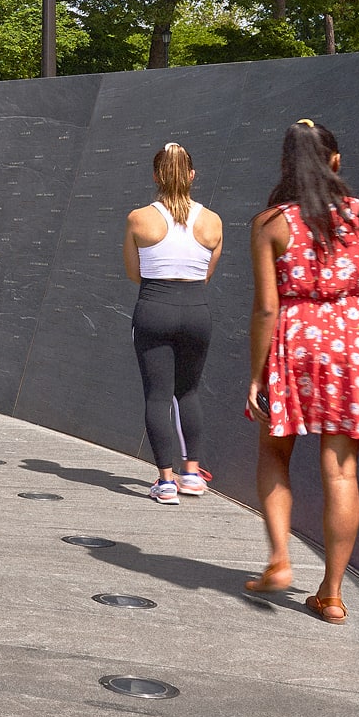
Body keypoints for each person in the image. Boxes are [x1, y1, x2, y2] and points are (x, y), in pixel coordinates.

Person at [243, 119, 359, 624]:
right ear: (335, 161)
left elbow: (266, 309)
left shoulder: (271, 223)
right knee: (342, 470)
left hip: (297, 343)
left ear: (286, 167)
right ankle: (332, 594)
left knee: (276, 449)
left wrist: (256, 375)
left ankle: (279, 557)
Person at [121, 143, 224, 505]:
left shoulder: (139, 218)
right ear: (192, 176)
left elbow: (134, 273)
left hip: (154, 307)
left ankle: (166, 482)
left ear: (155, 176)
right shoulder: (212, 221)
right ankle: (192, 474)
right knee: (189, 392)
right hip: (196, 309)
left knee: (158, 395)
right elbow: (206, 274)